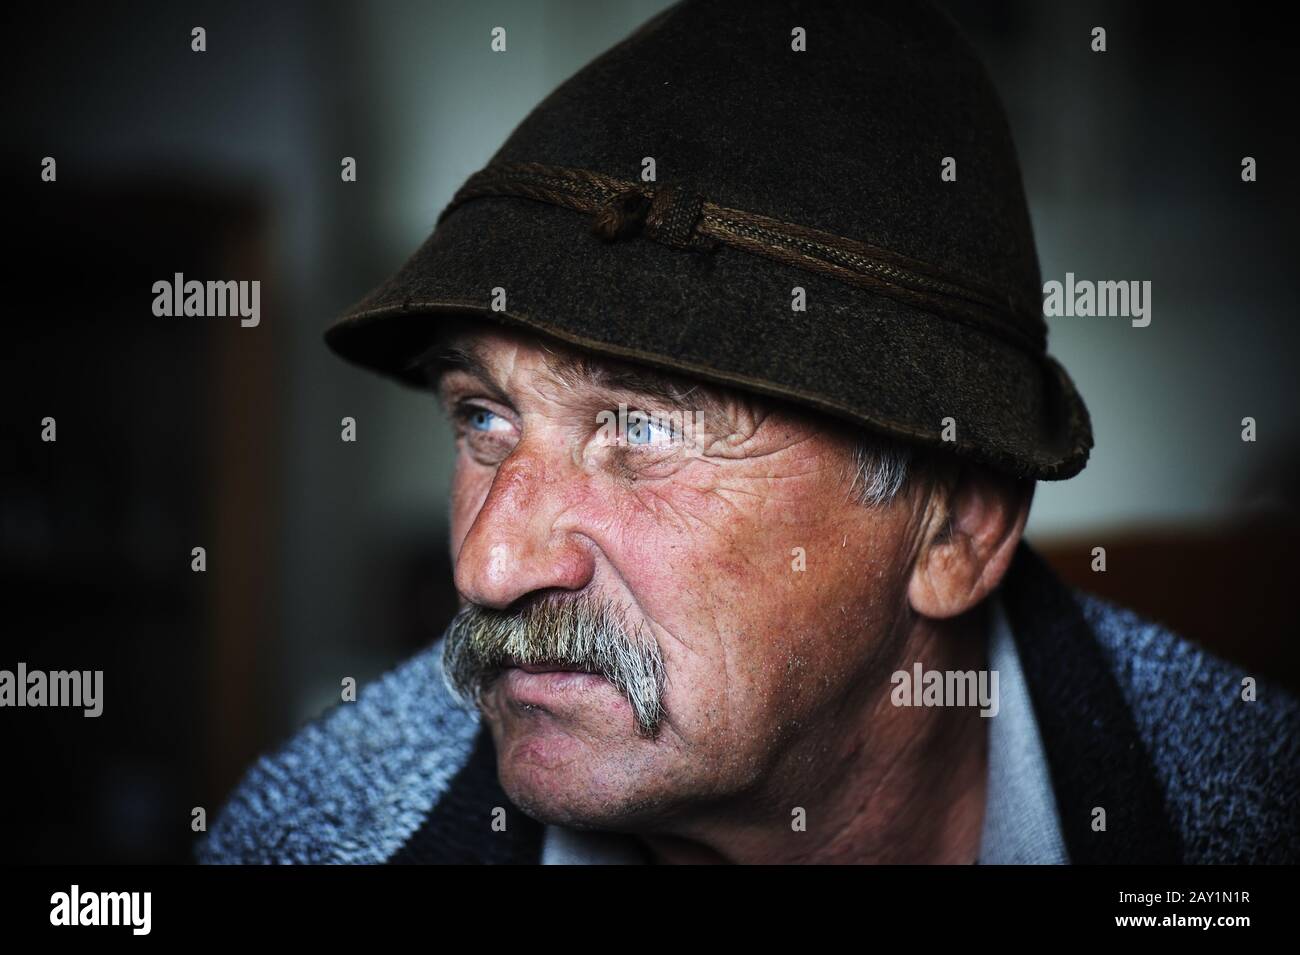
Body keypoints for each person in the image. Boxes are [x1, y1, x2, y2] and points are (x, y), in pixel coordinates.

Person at [196, 0, 1299, 864]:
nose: (489, 565)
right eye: (483, 417)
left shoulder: (1251, 818)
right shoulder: (313, 840)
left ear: (956, 524)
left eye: (638, 427)